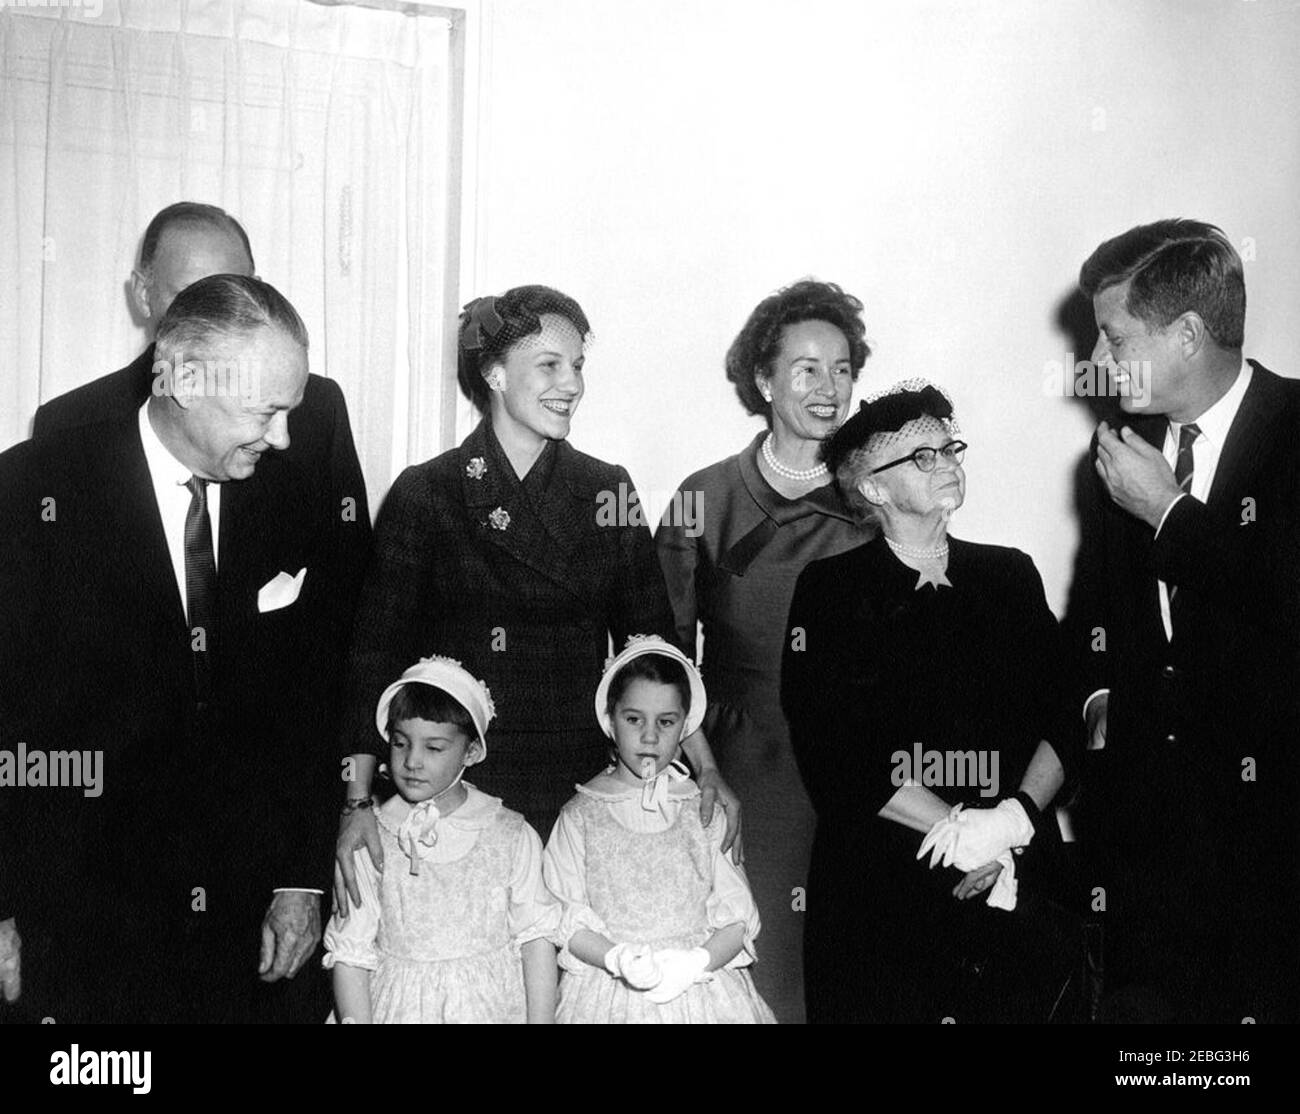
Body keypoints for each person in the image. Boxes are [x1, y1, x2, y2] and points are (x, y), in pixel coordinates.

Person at [0, 275, 367, 1023]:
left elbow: (309, 696)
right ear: (180, 380)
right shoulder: (31, 489)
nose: (285, 437)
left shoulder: (292, 495)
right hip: (84, 917)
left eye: (292, 410)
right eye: (266, 411)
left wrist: (300, 880)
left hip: (250, 925)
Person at [334, 286, 739, 915]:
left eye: (577, 366)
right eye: (549, 364)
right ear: (494, 373)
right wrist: (358, 801)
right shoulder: (427, 493)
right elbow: (373, 658)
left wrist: (706, 768)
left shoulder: (608, 489)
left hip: (576, 786)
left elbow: (654, 651)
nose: (571, 384)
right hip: (451, 786)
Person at [781, 381, 1079, 1023]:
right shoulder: (830, 592)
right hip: (889, 890)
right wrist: (957, 835)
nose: (947, 463)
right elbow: (838, 755)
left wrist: (1011, 822)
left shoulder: (1011, 575)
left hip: (1018, 878)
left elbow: (1066, 714)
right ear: (873, 489)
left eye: (950, 448)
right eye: (922, 456)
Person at [1071, 219, 1300, 1023]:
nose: (1095, 364)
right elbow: (1095, 621)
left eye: (1113, 337)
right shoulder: (1114, 453)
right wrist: (1104, 717)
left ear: (1188, 334)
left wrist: (1169, 511)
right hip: (1150, 857)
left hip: (1275, 846)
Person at [655, 279, 872, 1023]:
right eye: (806, 368)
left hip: (863, 770)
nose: (828, 387)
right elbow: (663, 666)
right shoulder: (705, 498)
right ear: (763, 379)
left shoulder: (877, 498)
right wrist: (707, 770)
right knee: (766, 972)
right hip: (745, 769)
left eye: (842, 369)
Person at [31, 201, 370, 543]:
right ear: (143, 294)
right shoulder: (70, 423)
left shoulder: (315, 411)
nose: (213, 311)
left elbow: (350, 567)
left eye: (231, 290)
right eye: (189, 294)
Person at [542, 636, 775, 1024]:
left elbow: (737, 917)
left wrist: (696, 962)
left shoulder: (703, 812)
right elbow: (564, 916)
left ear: (684, 726)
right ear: (610, 720)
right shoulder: (580, 816)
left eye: (666, 722)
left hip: (702, 992)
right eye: (634, 720)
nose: (649, 736)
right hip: (608, 996)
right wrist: (616, 958)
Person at [324, 656, 560, 1023]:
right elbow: (350, 953)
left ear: (472, 752)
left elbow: (537, 939)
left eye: (433, 748)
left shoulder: (509, 835)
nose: (412, 761)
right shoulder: (374, 838)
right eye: (401, 743)